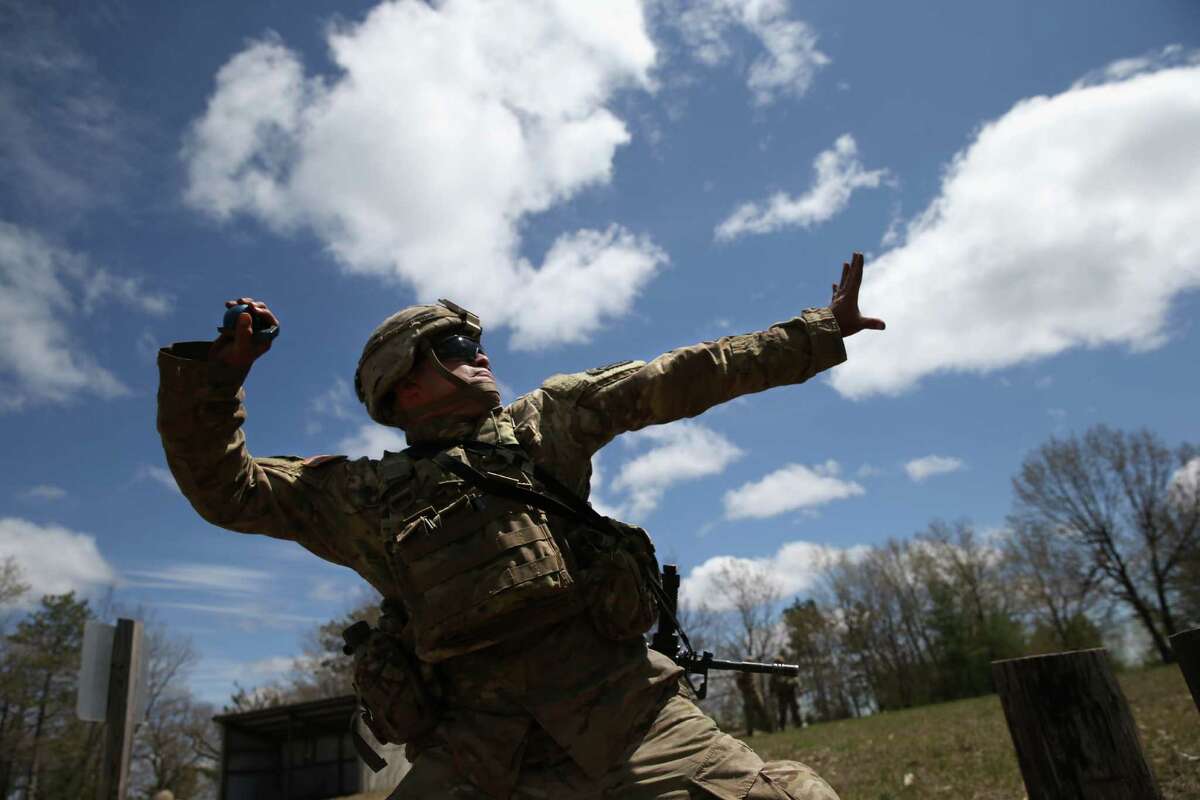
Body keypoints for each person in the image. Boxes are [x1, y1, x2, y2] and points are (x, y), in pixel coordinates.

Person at [156, 252, 884, 799]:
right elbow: (228, 490)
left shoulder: (546, 425)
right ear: (406, 385)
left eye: (476, 345)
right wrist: (217, 381)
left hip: (633, 721)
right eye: (457, 350)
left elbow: (685, 375)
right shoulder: (360, 496)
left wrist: (819, 331)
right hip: (478, 759)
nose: (481, 355)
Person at [769, 656, 803, 731]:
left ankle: (799, 724)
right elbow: (771, 685)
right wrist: (772, 695)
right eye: (777, 663)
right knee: (782, 712)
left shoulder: (788, 669)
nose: (779, 664)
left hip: (790, 692)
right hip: (781, 694)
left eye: (780, 662)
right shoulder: (774, 674)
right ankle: (782, 727)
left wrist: (799, 688)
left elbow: (796, 679)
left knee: (795, 709)